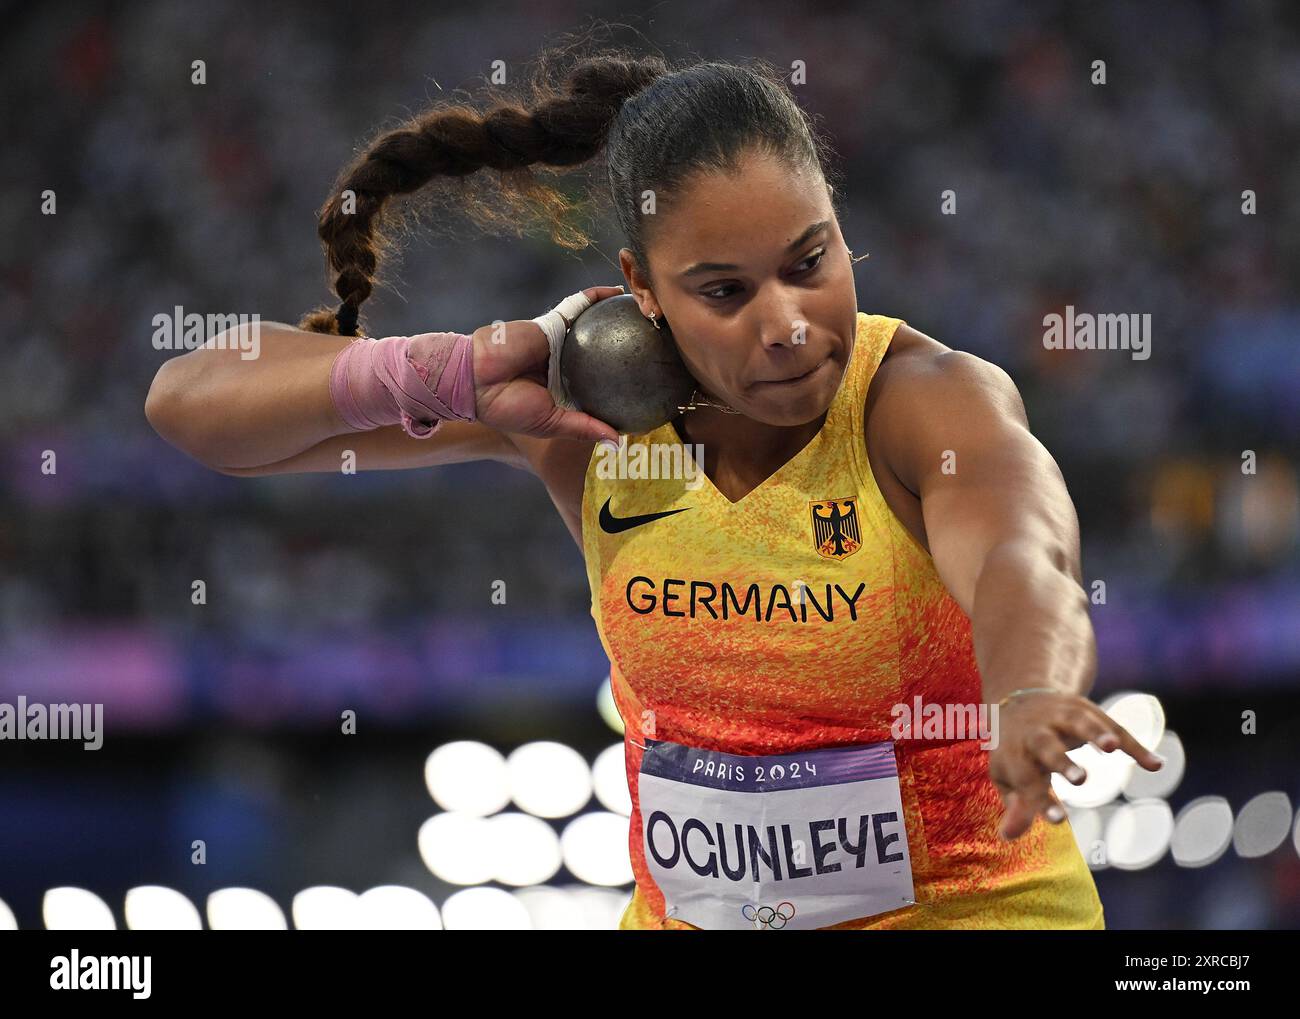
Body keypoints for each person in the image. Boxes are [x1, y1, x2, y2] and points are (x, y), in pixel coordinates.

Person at [144, 50, 1162, 929]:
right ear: (641, 288)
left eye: (811, 260)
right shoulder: (584, 421)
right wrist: (442, 371)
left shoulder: (920, 402)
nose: (789, 322)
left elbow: (1027, 562)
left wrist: (1030, 689)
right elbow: (191, 400)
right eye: (724, 290)